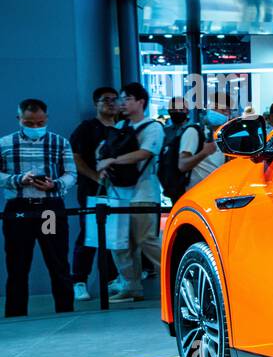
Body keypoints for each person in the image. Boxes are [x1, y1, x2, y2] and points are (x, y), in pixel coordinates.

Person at [0, 98, 76, 317]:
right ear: (19, 119)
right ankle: (15, 315)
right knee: (17, 265)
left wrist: (55, 184)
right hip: (18, 208)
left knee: (58, 261)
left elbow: (71, 174)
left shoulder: (59, 142)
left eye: (40, 122)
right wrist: (17, 179)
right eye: (29, 123)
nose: (35, 127)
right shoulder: (5, 143)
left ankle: (65, 312)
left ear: (46, 119)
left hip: (49, 209)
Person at [96, 82, 164, 304]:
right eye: (121, 99)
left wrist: (113, 160)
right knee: (120, 244)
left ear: (140, 102)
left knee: (147, 240)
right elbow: (103, 150)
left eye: (127, 99)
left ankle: (174, 279)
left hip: (144, 193)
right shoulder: (120, 126)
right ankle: (131, 286)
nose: (122, 103)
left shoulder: (152, 127)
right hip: (118, 192)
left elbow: (145, 153)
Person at [68, 86, 120, 300]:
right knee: (88, 234)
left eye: (114, 99)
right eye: (105, 100)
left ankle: (112, 279)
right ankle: (79, 280)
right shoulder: (86, 128)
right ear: (96, 104)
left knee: (112, 236)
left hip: (117, 190)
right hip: (92, 189)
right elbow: (76, 156)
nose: (110, 103)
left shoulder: (123, 127)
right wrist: (94, 176)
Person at [178, 106, 228, 190]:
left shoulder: (223, 137)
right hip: (195, 193)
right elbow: (182, 165)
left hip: (216, 192)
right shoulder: (194, 132)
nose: (226, 113)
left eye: (227, 111)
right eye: (223, 110)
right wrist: (204, 153)